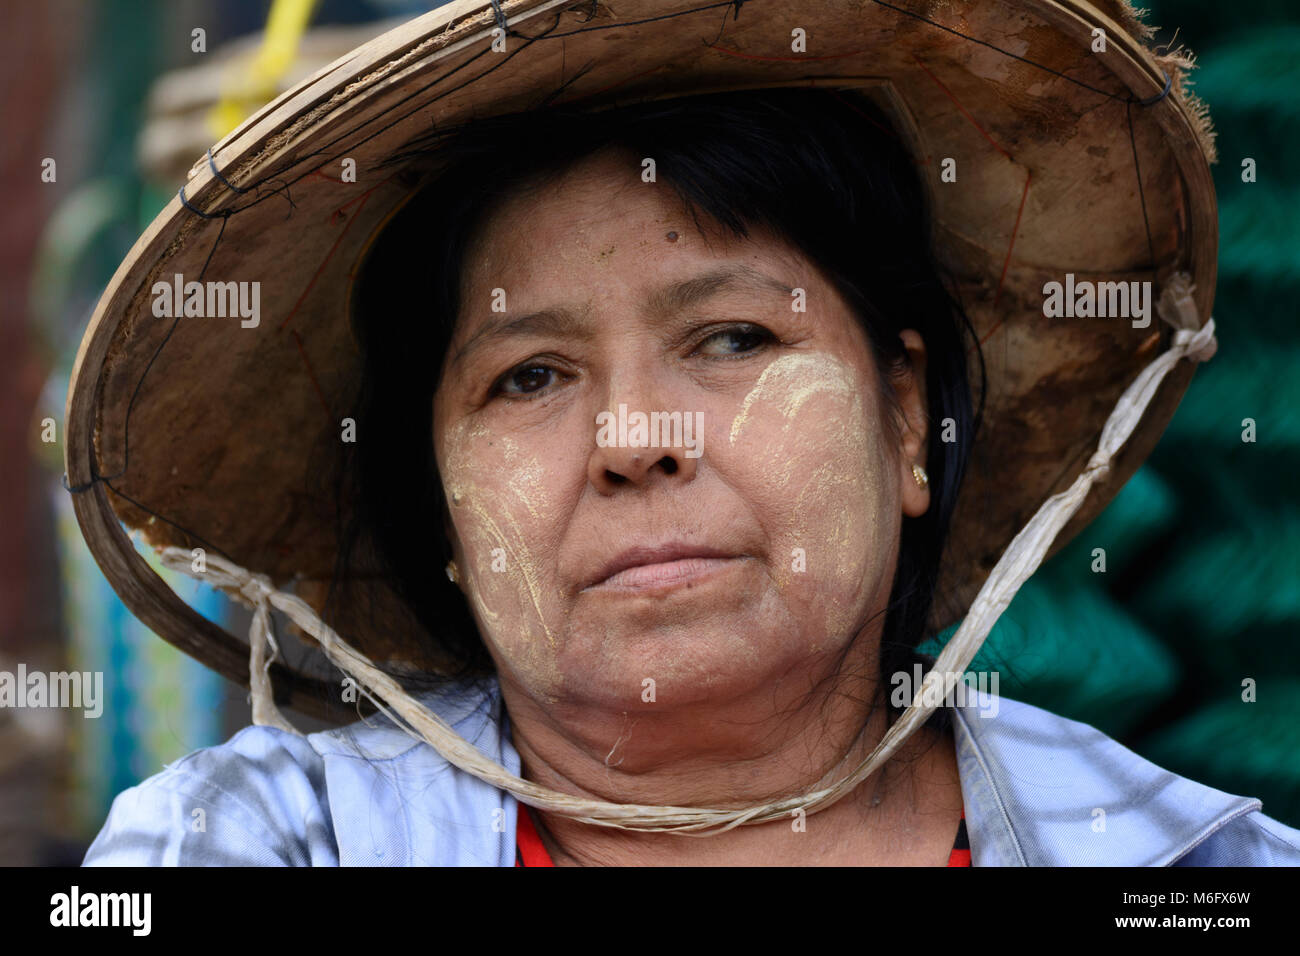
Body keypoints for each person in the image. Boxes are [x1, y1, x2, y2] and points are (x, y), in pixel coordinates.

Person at [71, 1, 1299, 865]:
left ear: (907, 421)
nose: (636, 436)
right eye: (530, 374)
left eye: (732, 339)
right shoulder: (252, 846)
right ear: (439, 508)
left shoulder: (1185, 861)